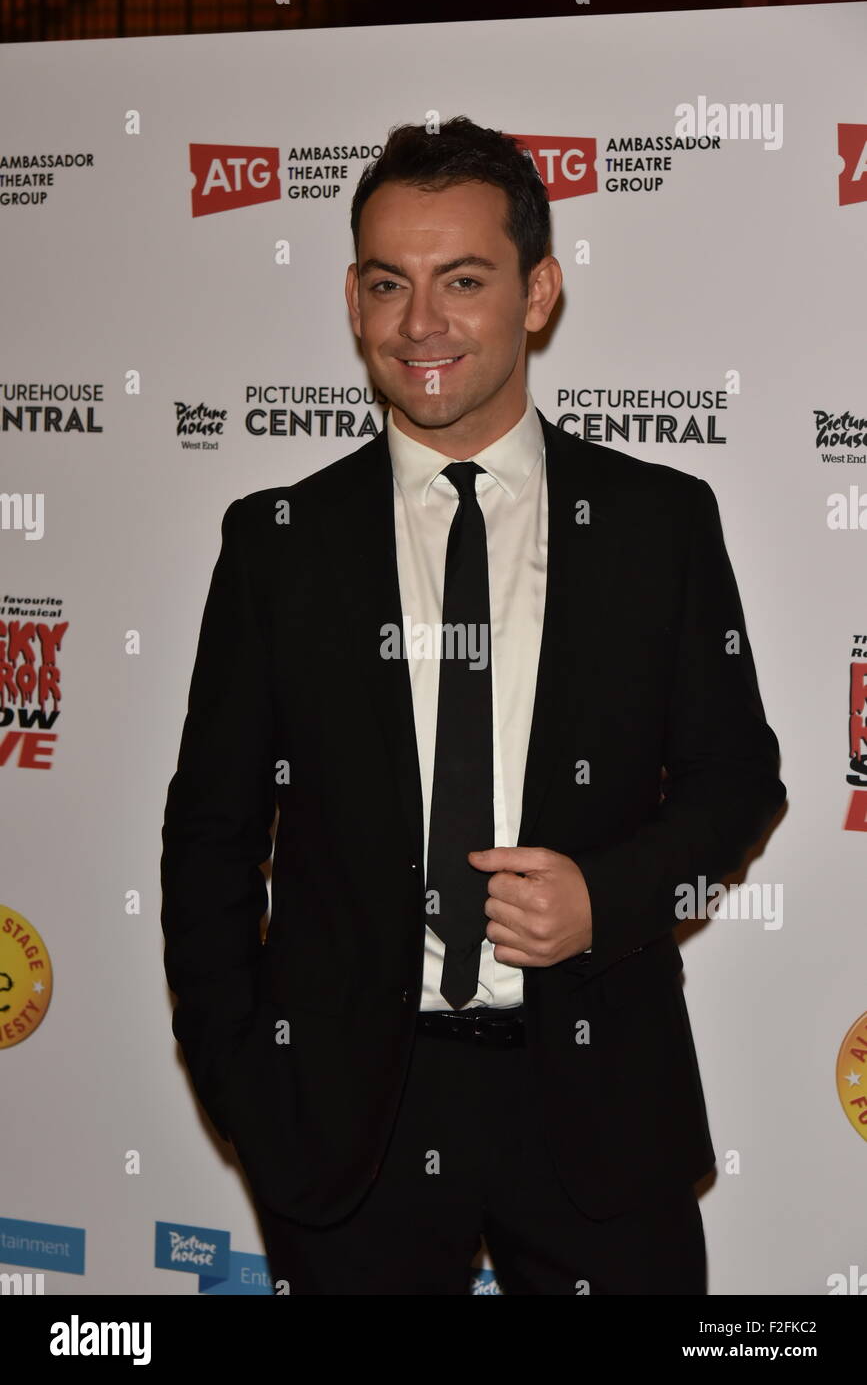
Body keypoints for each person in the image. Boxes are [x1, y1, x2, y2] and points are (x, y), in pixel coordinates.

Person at [160, 115, 785, 1295]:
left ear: (538, 293)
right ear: (352, 299)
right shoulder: (278, 545)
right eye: (389, 283)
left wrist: (606, 897)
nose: (421, 325)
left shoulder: (657, 524)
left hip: (597, 1098)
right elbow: (209, 837)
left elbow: (736, 777)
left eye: (463, 281)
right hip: (351, 1124)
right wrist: (248, 1085)